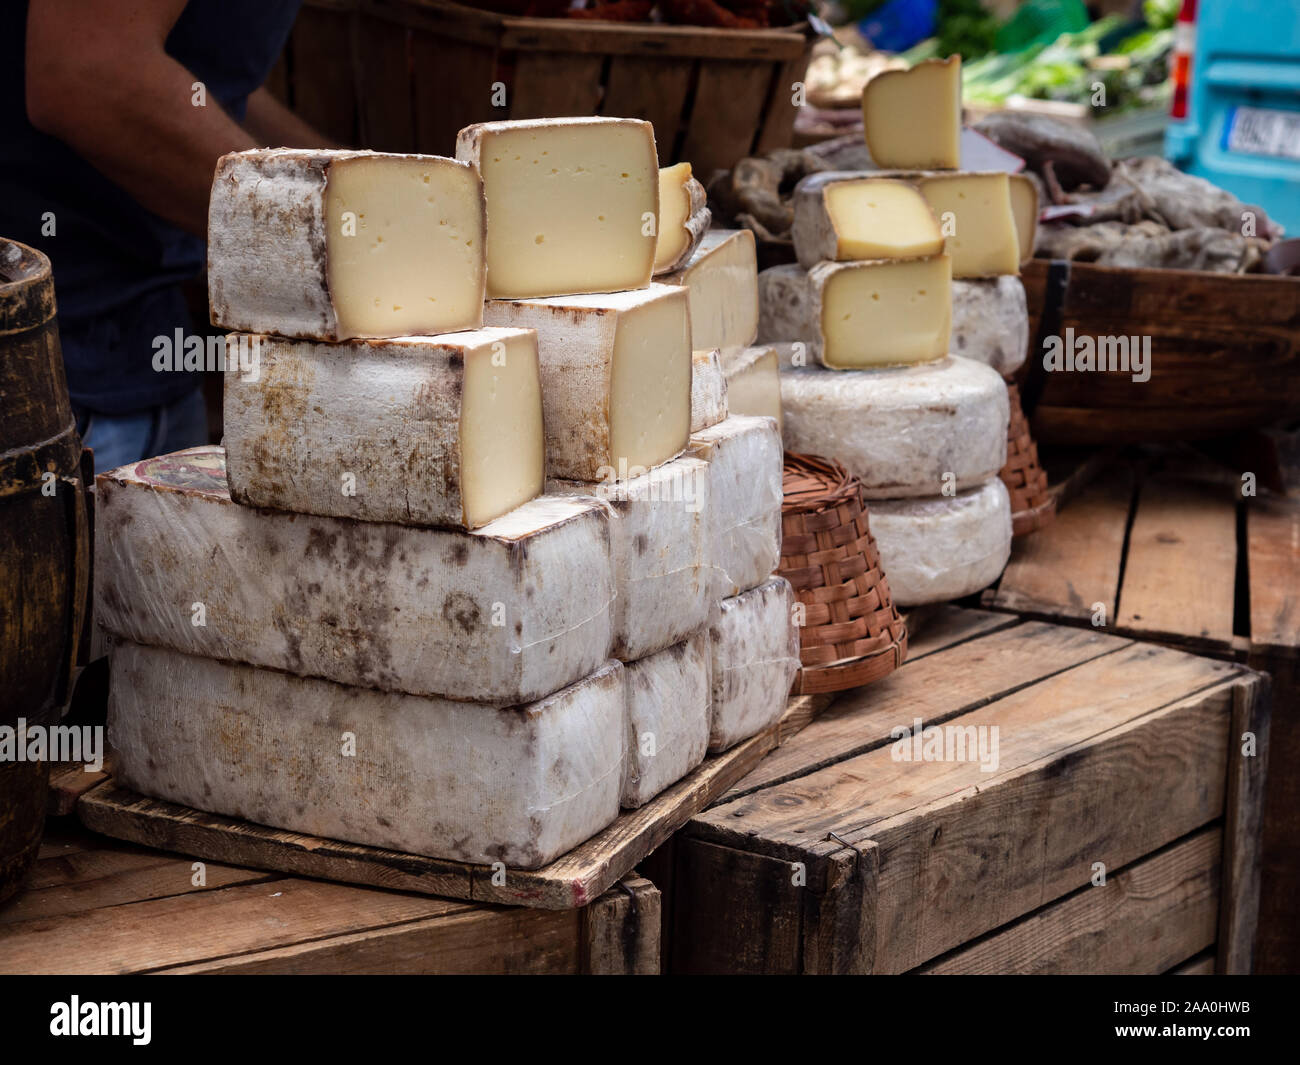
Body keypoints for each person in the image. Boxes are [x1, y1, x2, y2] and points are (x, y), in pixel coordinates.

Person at [2, 0, 330, 471]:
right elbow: (87, 72)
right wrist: (331, 227)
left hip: (155, 350)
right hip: (53, 377)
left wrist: (354, 180)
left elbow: (208, 82)